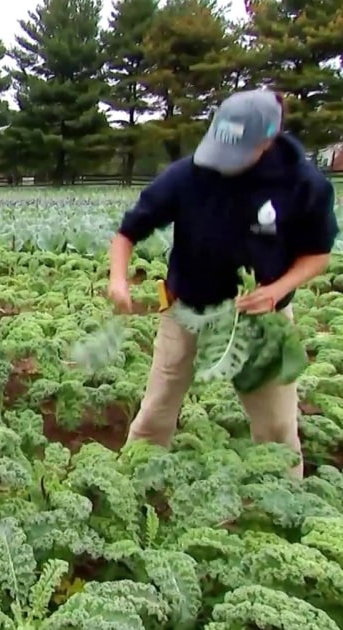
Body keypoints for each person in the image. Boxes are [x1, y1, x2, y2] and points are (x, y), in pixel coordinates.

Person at [106, 87, 338, 479]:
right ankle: (133, 480)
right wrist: (118, 279)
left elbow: (318, 254)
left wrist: (276, 291)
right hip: (187, 309)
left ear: (268, 140)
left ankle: (286, 504)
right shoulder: (188, 175)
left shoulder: (304, 184)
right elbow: (127, 233)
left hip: (259, 322)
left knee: (278, 426)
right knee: (156, 410)